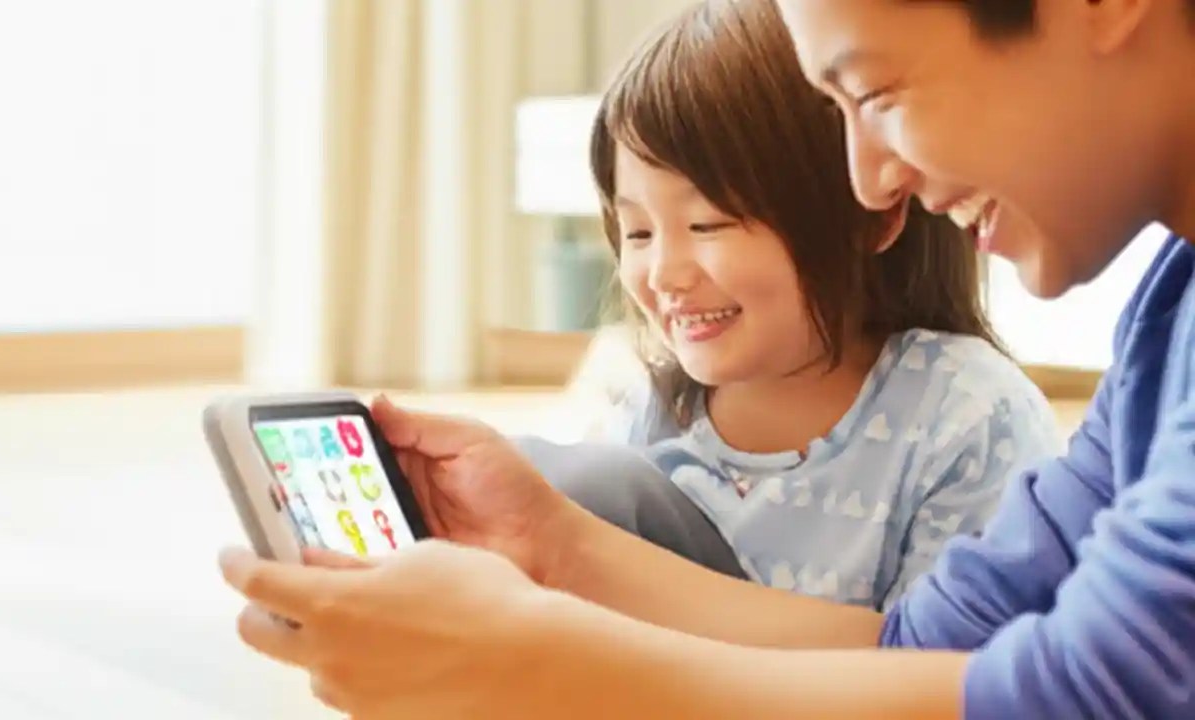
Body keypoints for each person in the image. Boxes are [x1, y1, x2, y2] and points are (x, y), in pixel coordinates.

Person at [218, 0, 1195, 717]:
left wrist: (534, 664)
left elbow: (1082, 699)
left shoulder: (963, 401)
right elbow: (932, 646)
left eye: (879, 92)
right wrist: (552, 540)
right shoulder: (1165, 323)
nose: (870, 182)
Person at [515, 0, 1059, 611]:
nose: (664, 273)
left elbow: (953, 655)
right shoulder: (647, 416)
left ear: (870, 214)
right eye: (638, 232)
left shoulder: (964, 415)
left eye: (708, 223)